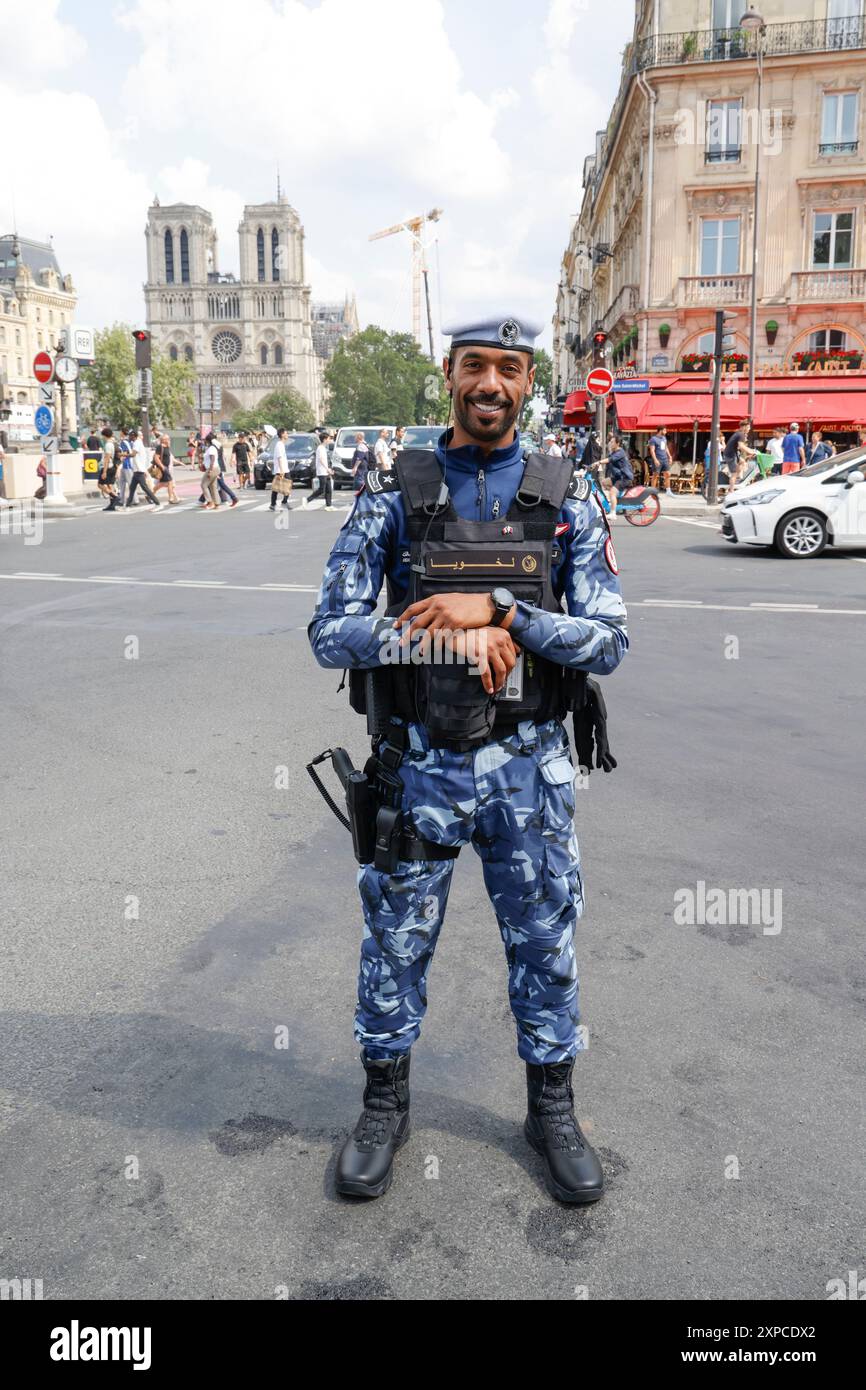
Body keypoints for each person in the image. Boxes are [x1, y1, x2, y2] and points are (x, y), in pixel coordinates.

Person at [309, 312, 628, 1205]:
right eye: (475, 366)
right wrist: (437, 643)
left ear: (530, 382)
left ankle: (552, 1109)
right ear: (449, 374)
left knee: (545, 945)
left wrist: (501, 612)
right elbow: (330, 634)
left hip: (529, 770)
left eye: (510, 369)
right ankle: (384, 1107)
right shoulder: (391, 493)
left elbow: (606, 644)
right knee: (395, 944)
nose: (491, 384)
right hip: (418, 769)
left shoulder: (568, 497)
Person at [599, 431, 633, 518]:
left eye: (612, 442)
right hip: (617, 476)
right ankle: (615, 500)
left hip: (624, 478)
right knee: (604, 482)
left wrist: (598, 462)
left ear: (617, 443)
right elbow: (609, 458)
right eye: (610, 441)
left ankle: (613, 513)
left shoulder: (620, 452)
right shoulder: (613, 451)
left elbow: (610, 459)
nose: (610, 443)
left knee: (612, 493)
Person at [125, 429, 161, 508]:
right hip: (137, 470)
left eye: (130, 436)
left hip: (139, 470)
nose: (129, 437)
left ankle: (157, 502)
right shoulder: (138, 442)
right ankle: (127, 505)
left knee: (145, 488)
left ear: (133, 436)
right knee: (132, 488)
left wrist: (122, 455)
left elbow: (133, 454)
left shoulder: (136, 443)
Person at [304, 431, 335, 509]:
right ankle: (307, 499)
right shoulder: (320, 448)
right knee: (322, 489)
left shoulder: (324, 448)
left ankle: (329, 505)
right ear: (324, 439)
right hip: (322, 472)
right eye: (328, 439)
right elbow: (321, 460)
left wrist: (329, 469)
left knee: (329, 489)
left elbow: (326, 460)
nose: (329, 440)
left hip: (326, 471)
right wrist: (327, 469)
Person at [723, 418, 756, 490]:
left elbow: (741, 446)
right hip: (730, 455)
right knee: (733, 474)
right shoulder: (741, 435)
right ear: (744, 427)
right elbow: (741, 446)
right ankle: (731, 491)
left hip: (733, 454)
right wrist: (751, 451)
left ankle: (738, 479)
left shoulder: (738, 433)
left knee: (743, 462)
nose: (749, 429)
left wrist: (751, 451)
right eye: (748, 427)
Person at [269, 427, 292, 511]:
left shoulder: (281, 444)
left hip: (284, 469)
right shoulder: (279, 445)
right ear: (282, 434)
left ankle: (282, 502)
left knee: (286, 486)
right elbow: (279, 458)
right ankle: (274, 503)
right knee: (277, 487)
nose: (287, 435)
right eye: (286, 433)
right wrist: (281, 470)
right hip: (281, 470)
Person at [152, 434, 180, 503]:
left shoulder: (167, 446)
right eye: (166, 439)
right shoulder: (160, 447)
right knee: (170, 482)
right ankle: (170, 498)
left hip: (166, 467)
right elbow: (156, 458)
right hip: (163, 468)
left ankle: (150, 494)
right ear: (162, 440)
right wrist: (162, 466)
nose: (168, 440)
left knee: (162, 483)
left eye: (168, 438)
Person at [98, 427, 120, 510]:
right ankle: (112, 505)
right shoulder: (114, 443)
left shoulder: (108, 445)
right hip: (113, 467)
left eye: (102, 436)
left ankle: (115, 497)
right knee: (109, 485)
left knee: (100, 484)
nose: (102, 438)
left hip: (108, 467)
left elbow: (107, 459)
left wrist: (104, 471)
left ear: (105, 436)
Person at [647, 425, 672, 494]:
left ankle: (668, 491)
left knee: (667, 474)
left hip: (664, 459)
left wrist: (669, 456)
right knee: (655, 474)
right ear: (661, 430)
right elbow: (652, 450)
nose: (666, 432)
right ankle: (652, 491)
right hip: (657, 459)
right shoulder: (653, 439)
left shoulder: (664, 438)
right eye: (665, 430)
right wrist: (655, 460)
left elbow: (666, 448)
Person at [200, 432, 222, 509]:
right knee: (213, 486)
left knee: (203, 485)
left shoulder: (212, 448)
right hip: (215, 468)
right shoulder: (211, 448)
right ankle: (216, 503)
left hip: (212, 468)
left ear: (208, 440)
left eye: (205, 440)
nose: (204, 442)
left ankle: (210, 502)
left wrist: (210, 470)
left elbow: (212, 459)